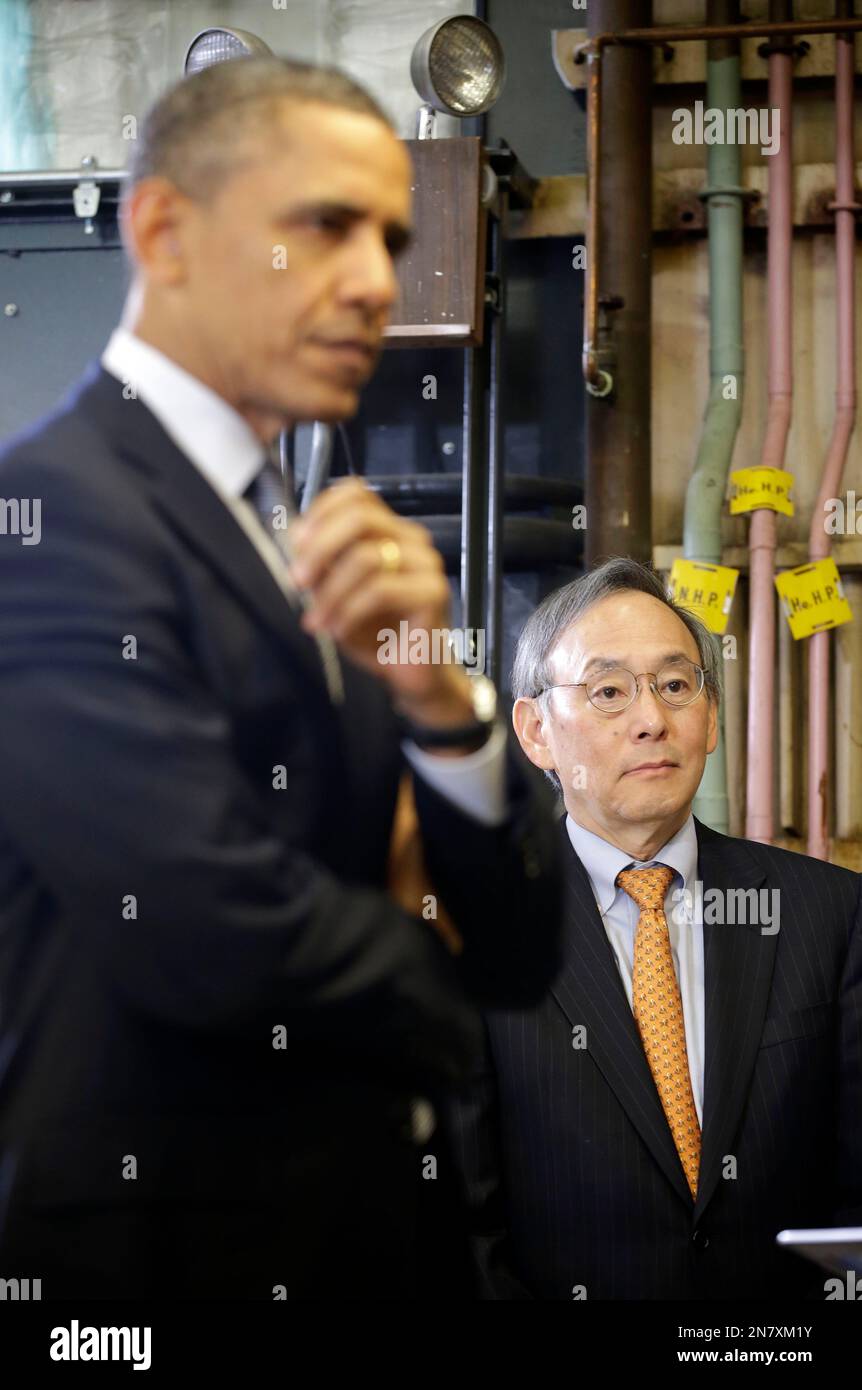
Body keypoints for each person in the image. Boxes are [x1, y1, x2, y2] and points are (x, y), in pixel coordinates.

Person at [0, 57, 561, 1300]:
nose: (374, 280)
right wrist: (446, 977)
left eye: (392, 236)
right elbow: (203, 922)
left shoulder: (294, 532)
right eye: (323, 226)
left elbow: (523, 948)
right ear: (164, 230)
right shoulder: (46, 512)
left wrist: (442, 704)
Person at [448, 557, 862, 1300]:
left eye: (676, 686)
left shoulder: (831, 914)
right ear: (536, 731)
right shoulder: (475, 931)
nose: (651, 719)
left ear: (711, 720)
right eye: (608, 692)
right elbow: (464, 1220)